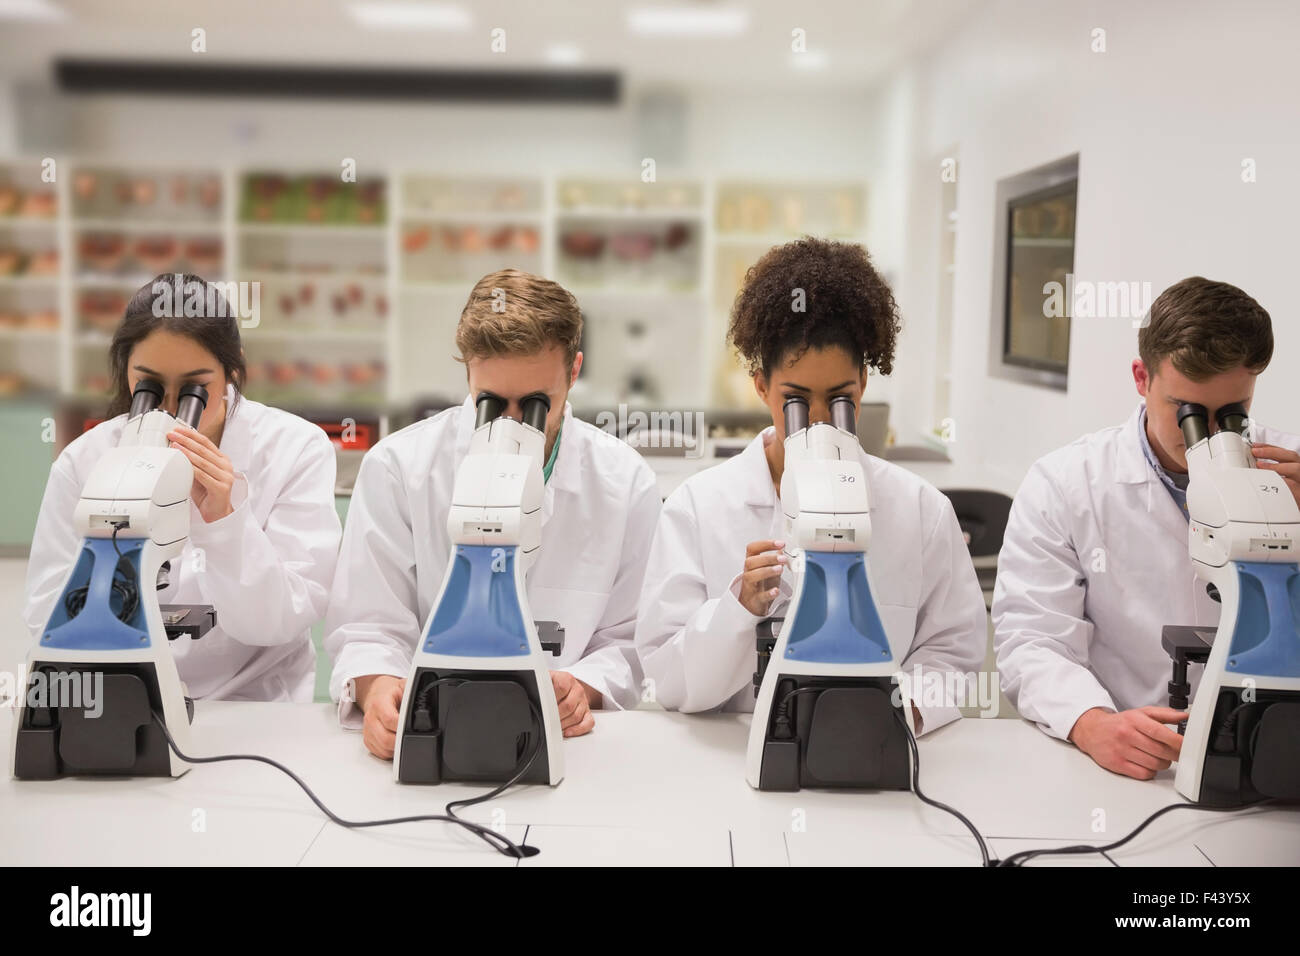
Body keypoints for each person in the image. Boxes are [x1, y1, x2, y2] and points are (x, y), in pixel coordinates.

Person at [635, 238, 987, 732]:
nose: (819, 421)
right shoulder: (698, 506)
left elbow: (955, 648)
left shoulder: (921, 509)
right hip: (732, 766)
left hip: (874, 754)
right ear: (761, 386)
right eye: (796, 400)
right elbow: (670, 682)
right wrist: (738, 611)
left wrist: (898, 712)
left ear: (863, 384)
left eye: (839, 398)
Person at [325, 269, 661, 759]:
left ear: (573, 372)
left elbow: (633, 637)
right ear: (468, 375)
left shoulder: (625, 481)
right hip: (431, 735)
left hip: (571, 750)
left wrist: (583, 685)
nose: (511, 424)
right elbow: (368, 626)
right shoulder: (398, 469)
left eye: (534, 404)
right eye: (491, 402)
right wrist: (379, 689)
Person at [993, 276, 1300, 779]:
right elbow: (1031, 638)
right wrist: (1090, 722)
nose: (1215, 434)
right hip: (1130, 766)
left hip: (1270, 754)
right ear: (1142, 378)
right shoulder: (1066, 483)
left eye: (1234, 413)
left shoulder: (1290, 474)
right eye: (1189, 413)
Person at [24, 273, 341, 701]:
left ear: (232, 370)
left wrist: (226, 524)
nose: (171, 409)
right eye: (149, 386)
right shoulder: (84, 461)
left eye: (196, 388)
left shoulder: (295, 448)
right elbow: (49, 613)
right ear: (125, 372)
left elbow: (283, 618)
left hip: (255, 705)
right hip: (129, 696)